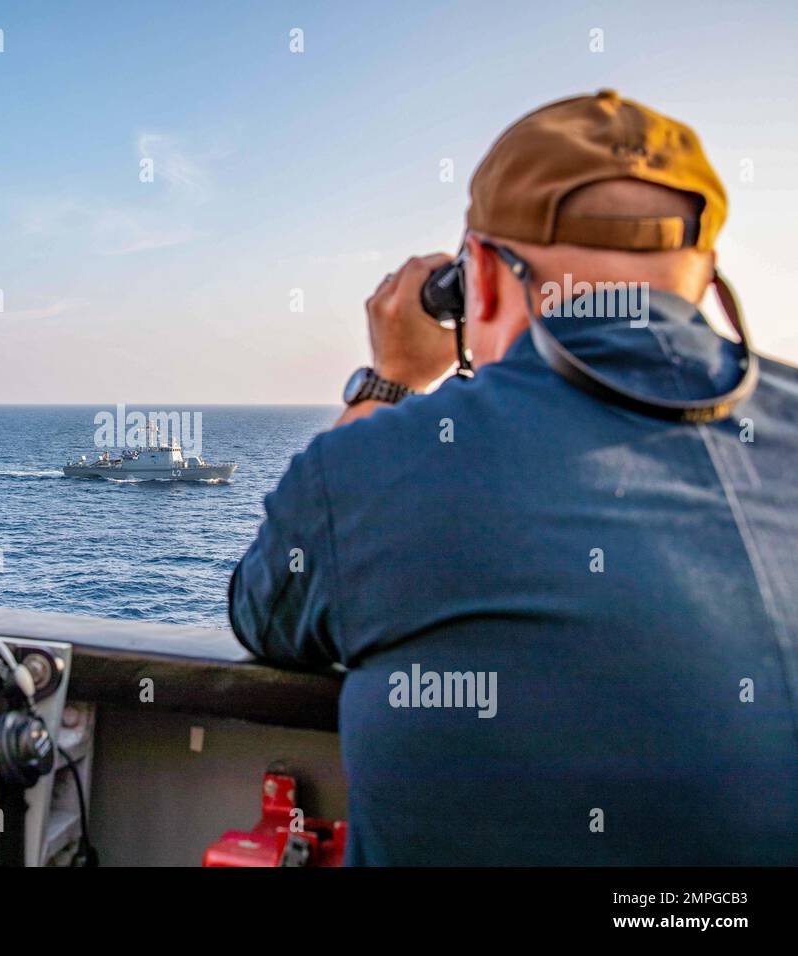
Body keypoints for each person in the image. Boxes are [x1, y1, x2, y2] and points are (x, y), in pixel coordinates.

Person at [229, 91, 798, 865]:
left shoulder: (372, 470)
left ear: (484, 278)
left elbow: (265, 615)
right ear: (703, 276)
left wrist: (389, 381)